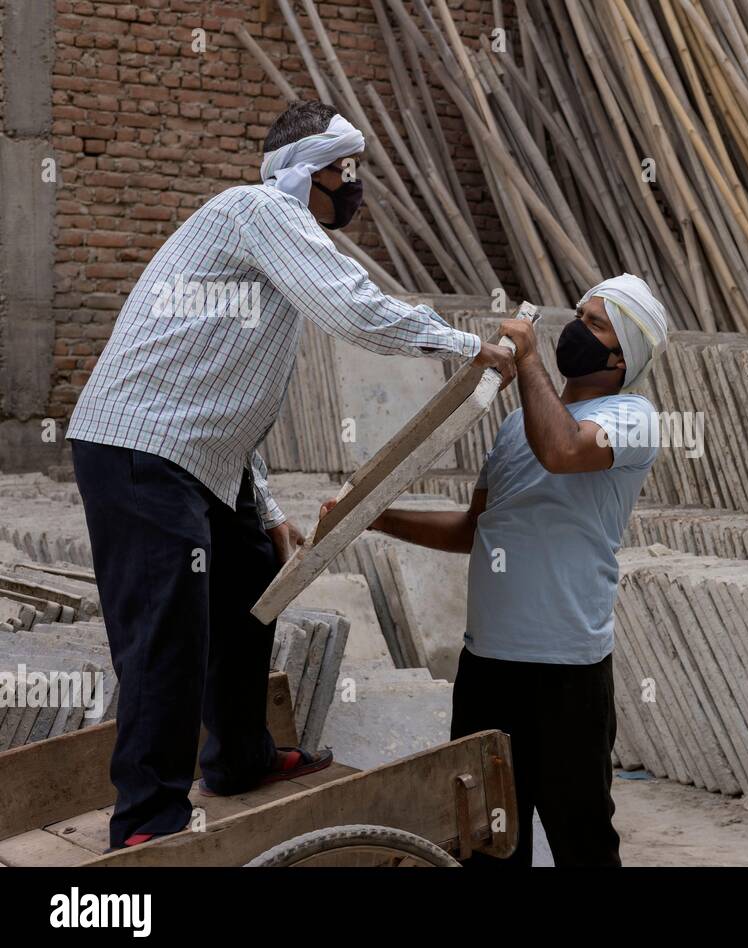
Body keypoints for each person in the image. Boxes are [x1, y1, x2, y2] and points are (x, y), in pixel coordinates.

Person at [65, 101, 516, 851]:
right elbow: (351, 305)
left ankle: (239, 758)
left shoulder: (271, 248)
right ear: (307, 171)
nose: (353, 188)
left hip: (205, 457)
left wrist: (266, 508)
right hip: (140, 449)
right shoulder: (259, 209)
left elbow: (237, 400)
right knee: (165, 633)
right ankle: (148, 821)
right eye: (345, 172)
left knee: (252, 586)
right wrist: (466, 344)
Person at [328, 274, 668, 866]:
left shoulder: (633, 417)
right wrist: (373, 517)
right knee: (486, 839)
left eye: (595, 324)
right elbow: (472, 529)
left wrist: (529, 359)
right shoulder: (516, 428)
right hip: (486, 667)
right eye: (579, 315)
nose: (574, 331)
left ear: (624, 356)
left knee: (581, 836)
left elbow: (564, 452)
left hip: (567, 672)